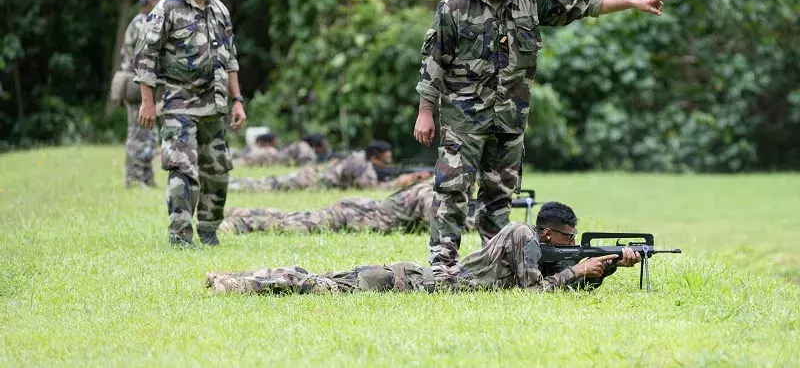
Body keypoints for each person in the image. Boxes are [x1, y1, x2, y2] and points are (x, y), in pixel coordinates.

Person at [413, 0, 672, 265]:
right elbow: (433, 61)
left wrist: (633, 2)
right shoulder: (455, 6)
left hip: (509, 121)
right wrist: (425, 112)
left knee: (499, 195)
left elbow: (582, 1)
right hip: (463, 121)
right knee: (453, 191)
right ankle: (442, 265)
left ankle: (496, 264)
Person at [205, 201, 641, 295]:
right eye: (568, 240)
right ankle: (236, 284)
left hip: (425, 280)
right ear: (548, 235)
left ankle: (241, 280)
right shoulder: (523, 236)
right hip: (419, 282)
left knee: (326, 282)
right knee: (324, 287)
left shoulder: (534, 243)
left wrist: (606, 268)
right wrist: (578, 272)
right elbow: (533, 294)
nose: (571, 246)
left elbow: (553, 282)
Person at [134, 0, 247, 247]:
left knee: (218, 171)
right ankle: (181, 237)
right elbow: (146, 55)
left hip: (215, 105)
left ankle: (209, 232)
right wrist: (147, 102)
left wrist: (237, 101)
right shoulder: (168, 7)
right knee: (182, 170)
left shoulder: (219, 10)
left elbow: (231, 59)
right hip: (178, 104)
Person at [221, 179, 478, 235]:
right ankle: (240, 222)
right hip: (362, 216)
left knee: (296, 216)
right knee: (296, 225)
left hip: (361, 210)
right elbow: (439, 220)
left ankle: (240, 212)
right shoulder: (433, 191)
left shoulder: (435, 186)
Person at [229, 140, 431, 192]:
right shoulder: (361, 164)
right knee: (265, 185)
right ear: (375, 156)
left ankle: (235, 183)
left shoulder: (360, 158)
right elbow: (370, 188)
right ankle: (233, 184)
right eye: (385, 160)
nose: (387, 163)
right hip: (309, 181)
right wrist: (402, 181)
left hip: (311, 177)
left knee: (267, 183)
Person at [120, 0, 164, 188]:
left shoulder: (147, 22)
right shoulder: (141, 24)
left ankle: (146, 176)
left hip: (143, 81)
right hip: (136, 82)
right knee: (138, 132)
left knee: (149, 133)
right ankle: (134, 178)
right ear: (153, 2)